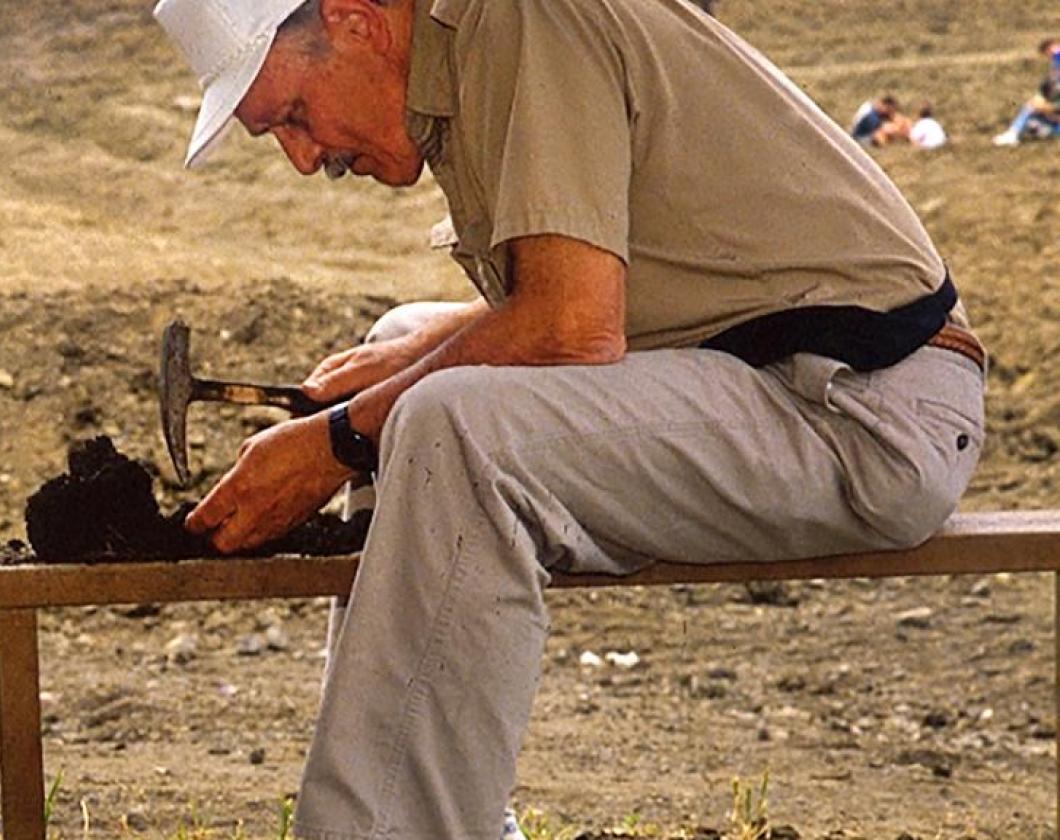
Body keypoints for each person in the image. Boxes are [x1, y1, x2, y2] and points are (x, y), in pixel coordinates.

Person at [152, 0, 984, 837]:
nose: (303, 159)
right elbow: (619, 284)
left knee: (450, 424)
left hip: (862, 407)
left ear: (357, 19)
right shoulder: (472, 41)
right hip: (789, 379)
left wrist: (335, 443)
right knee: (404, 347)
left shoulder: (520, 17)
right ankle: (434, 814)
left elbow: (573, 327)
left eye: (293, 115)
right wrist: (397, 373)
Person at [994, 41, 1060, 146]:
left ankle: (1013, 134)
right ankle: (1015, 133)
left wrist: (1046, 108)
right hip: (1053, 119)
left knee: (1031, 112)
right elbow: (1039, 98)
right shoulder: (1050, 83)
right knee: (1031, 118)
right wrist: (1041, 106)